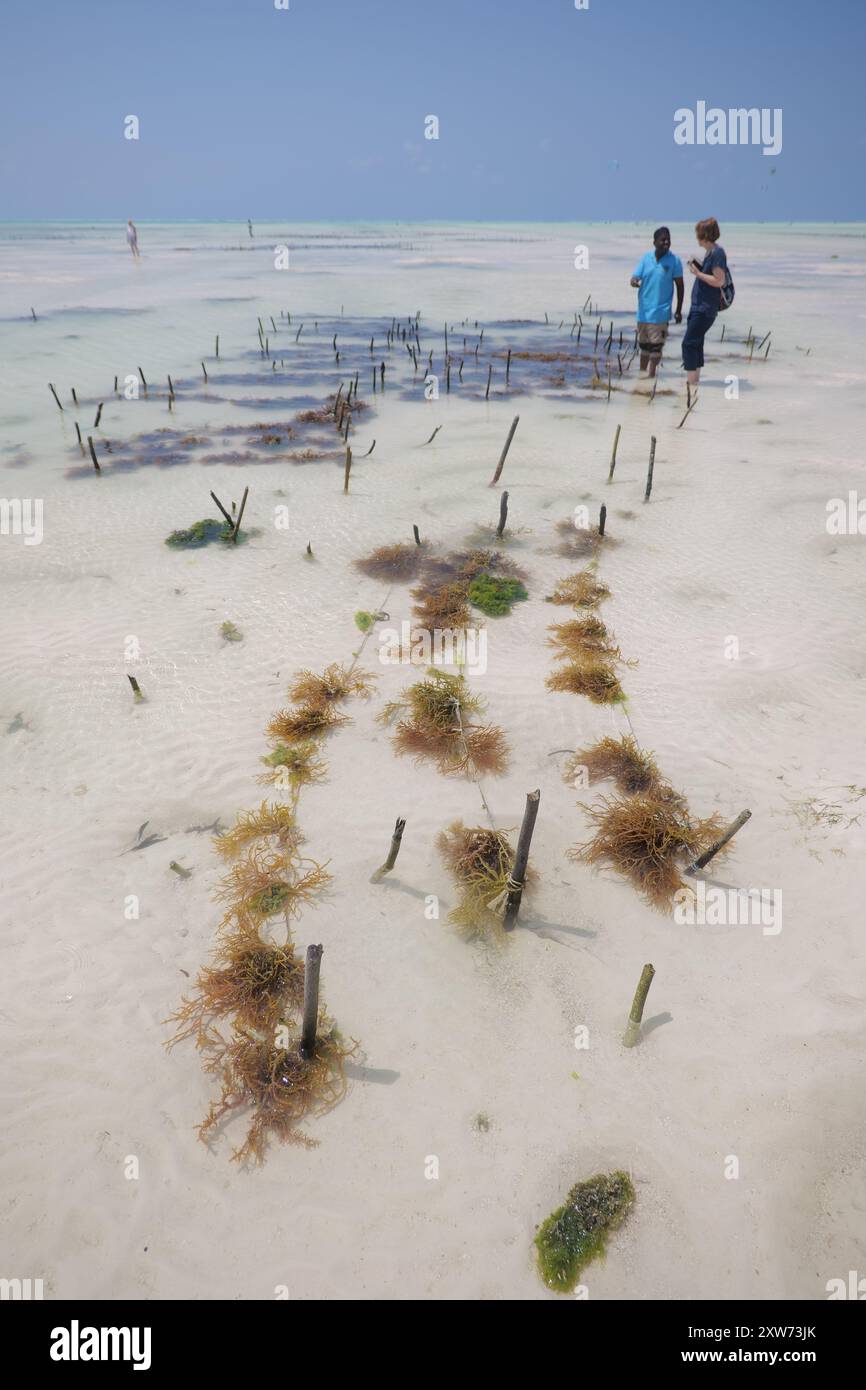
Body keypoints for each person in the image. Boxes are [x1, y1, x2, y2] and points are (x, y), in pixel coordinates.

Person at [629, 227, 684, 377]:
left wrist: (678, 310)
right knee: (644, 347)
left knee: (656, 348)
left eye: (668, 240)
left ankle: (651, 377)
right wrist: (634, 281)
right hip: (643, 313)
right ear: (654, 242)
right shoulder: (646, 258)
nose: (666, 242)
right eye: (663, 240)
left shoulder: (675, 261)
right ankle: (642, 376)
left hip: (661, 312)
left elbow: (680, 286)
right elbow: (635, 277)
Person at [682, 217, 728, 388]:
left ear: (704, 235)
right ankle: (695, 382)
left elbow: (719, 280)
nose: (697, 237)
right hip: (700, 305)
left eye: (698, 234)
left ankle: (691, 383)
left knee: (688, 344)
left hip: (705, 308)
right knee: (696, 343)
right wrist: (700, 268)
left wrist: (697, 273)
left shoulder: (717, 253)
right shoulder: (712, 252)